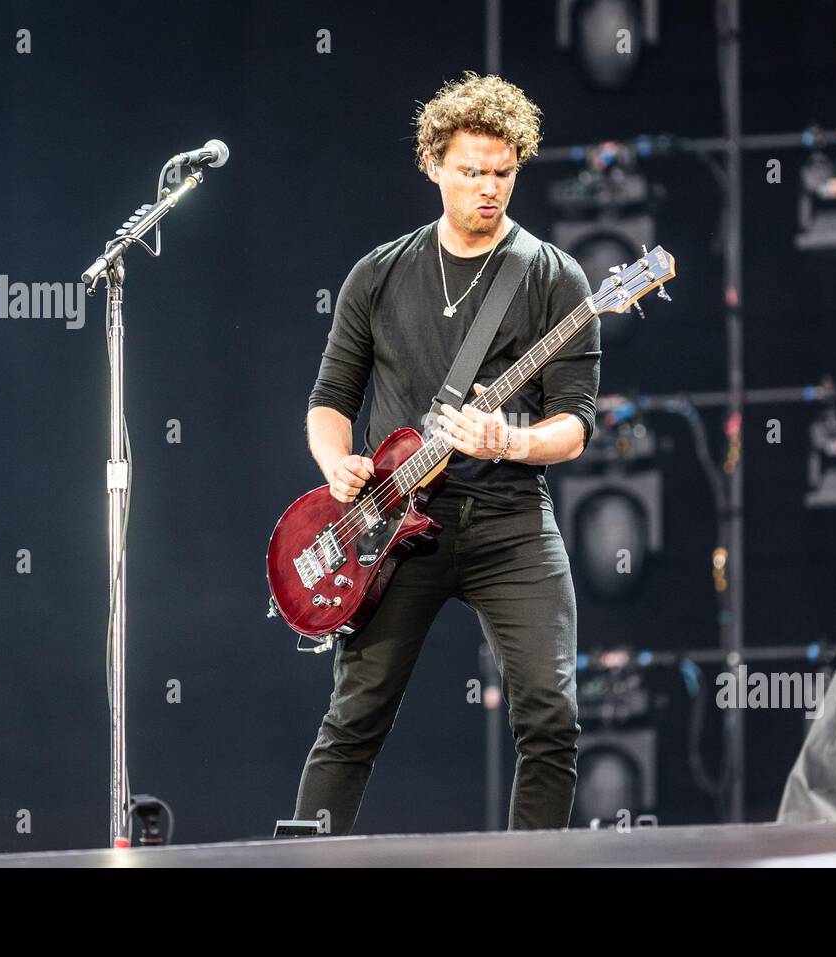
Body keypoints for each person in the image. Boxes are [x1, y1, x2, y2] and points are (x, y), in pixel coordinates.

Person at [293, 71, 601, 834]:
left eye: (502, 173)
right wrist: (336, 463)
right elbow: (331, 398)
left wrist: (517, 440)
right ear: (432, 163)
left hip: (509, 518)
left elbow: (577, 422)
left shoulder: (556, 277)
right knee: (354, 716)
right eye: (470, 172)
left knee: (551, 713)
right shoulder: (380, 272)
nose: (488, 189)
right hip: (396, 524)